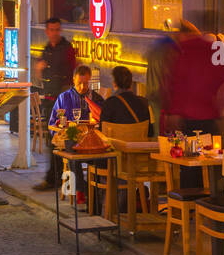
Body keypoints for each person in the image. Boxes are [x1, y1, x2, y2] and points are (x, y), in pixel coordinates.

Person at [34, 64, 95, 194]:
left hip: (91, 142)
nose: (83, 87)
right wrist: (61, 130)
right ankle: (83, 190)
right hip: (71, 141)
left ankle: (98, 192)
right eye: (79, 83)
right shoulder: (64, 98)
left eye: (86, 83)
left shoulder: (95, 98)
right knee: (71, 150)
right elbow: (53, 123)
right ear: (73, 80)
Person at [98, 66, 151, 133]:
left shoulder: (109, 104)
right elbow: (150, 132)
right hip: (138, 143)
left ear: (114, 83)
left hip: (115, 143)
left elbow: (102, 131)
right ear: (131, 83)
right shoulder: (143, 103)